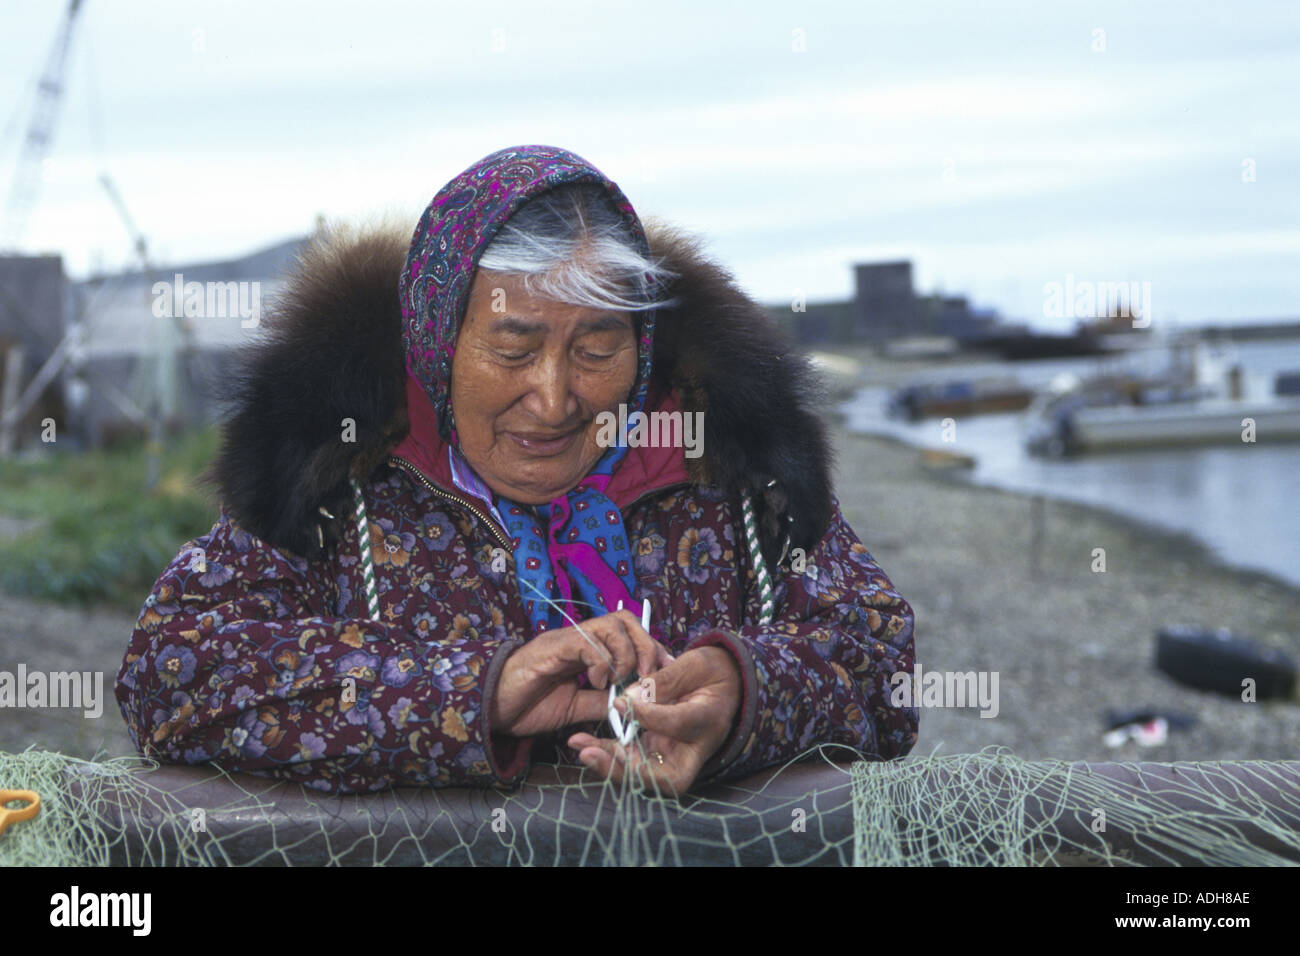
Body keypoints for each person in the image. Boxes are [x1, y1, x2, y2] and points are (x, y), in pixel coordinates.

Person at [115, 144, 917, 795]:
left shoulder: (731, 464)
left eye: (597, 351)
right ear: (437, 341)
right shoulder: (334, 472)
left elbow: (885, 666)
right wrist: (479, 693)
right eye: (513, 348)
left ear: (639, 353)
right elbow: (171, 672)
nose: (554, 397)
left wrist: (743, 693)